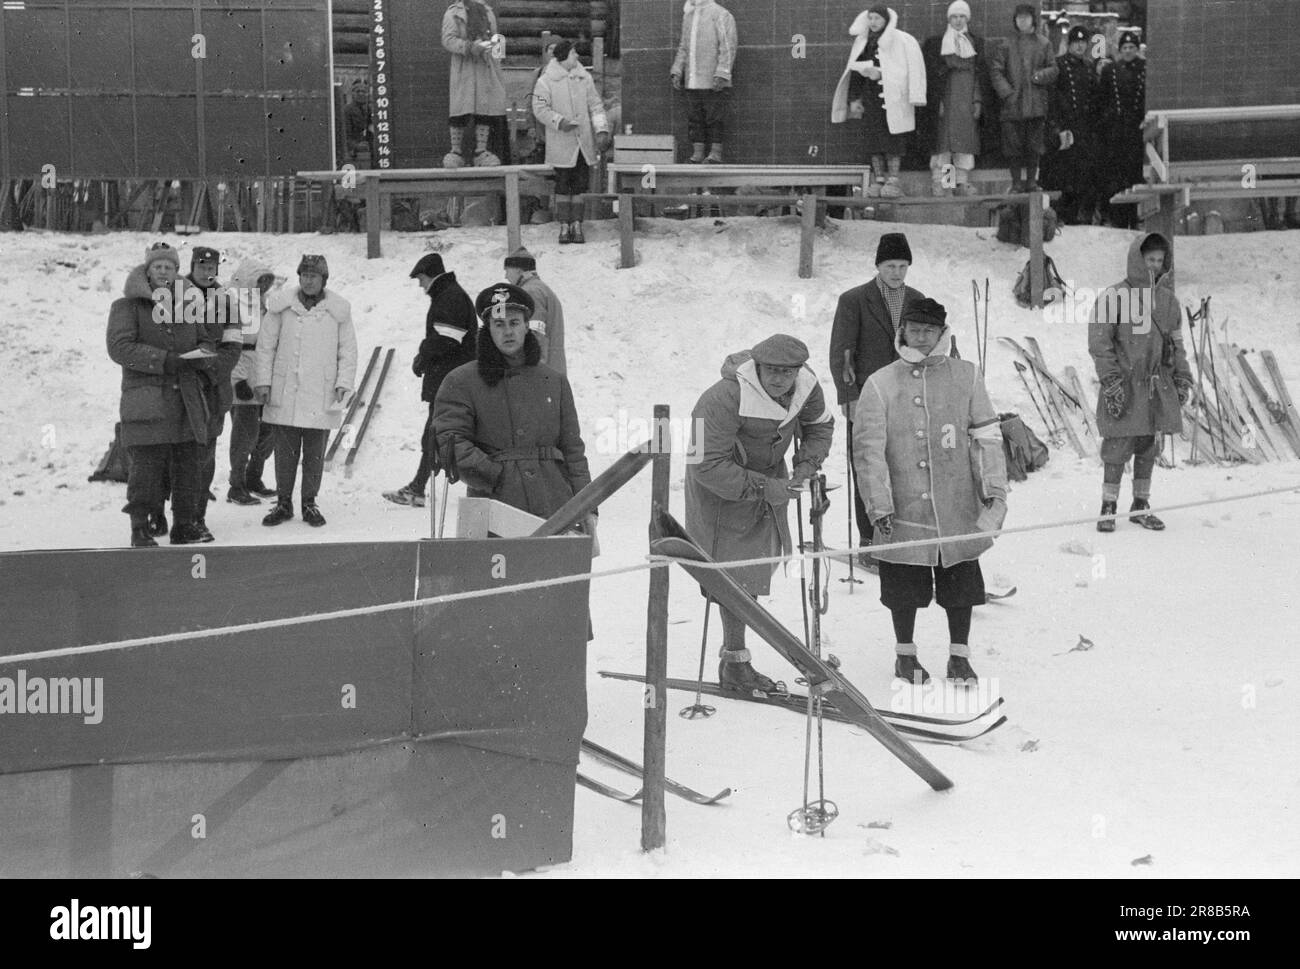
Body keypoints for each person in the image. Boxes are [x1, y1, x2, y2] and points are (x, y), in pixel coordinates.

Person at [854, 297, 1008, 686]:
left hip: (957, 503)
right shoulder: (880, 383)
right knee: (903, 586)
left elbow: (987, 435)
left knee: (961, 582)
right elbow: (868, 451)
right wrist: (879, 505)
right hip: (903, 506)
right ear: (902, 331)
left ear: (942, 333)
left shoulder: (967, 375)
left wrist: (993, 490)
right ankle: (905, 655)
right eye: (914, 329)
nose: (921, 338)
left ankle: (960, 657)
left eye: (929, 331)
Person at [685, 335, 834, 694]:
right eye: (772, 371)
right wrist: (768, 488)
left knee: (754, 570)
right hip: (721, 487)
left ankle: (735, 662)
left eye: (788, 372)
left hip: (770, 481)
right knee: (733, 576)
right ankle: (734, 663)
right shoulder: (722, 398)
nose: (780, 380)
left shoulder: (806, 386)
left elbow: (819, 427)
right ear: (758, 366)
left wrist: (806, 465)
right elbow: (706, 463)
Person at [432, 283, 594, 534]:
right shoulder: (461, 381)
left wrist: (587, 504)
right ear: (488, 329)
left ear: (527, 325)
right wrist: (493, 475)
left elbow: (573, 449)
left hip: (555, 506)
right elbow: (449, 440)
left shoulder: (554, 380)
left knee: (558, 574)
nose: (508, 331)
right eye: (499, 324)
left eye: (514, 323)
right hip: (492, 508)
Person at [106, 243, 222, 547]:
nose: (163, 272)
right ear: (147, 270)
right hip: (147, 401)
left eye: (169, 267)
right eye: (157, 266)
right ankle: (140, 529)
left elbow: (205, 339)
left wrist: (205, 354)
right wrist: (163, 359)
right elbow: (119, 348)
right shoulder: (126, 307)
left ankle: (183, 525)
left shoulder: (187, 305)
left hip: (186, 400)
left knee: (188, 466)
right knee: (146, 469)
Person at [828, 232, 925, 567]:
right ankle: (869, 539)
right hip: (867, 398)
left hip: (906, 398)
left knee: (904, 467)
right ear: (878, 266)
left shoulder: (916, 299)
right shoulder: (854, 300)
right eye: (890, 266)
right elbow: (842, 352)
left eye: (902, 266)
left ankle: (902, 536)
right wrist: (848, 395)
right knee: (869, 468)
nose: (896, 273)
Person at [1089, 233, 1192, 533]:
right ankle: (1108, 506)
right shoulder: (1113, 297)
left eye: (1160, 261)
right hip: (1124, 384)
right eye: (1150, 260)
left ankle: (1141, 505)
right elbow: (1099, 343)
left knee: (1148, 446)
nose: (1155, 266)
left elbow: (1177, 345)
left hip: (1155, 386)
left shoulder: (1168, 302)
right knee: (1118, 444)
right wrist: (1110, 381)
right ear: (1138, 258)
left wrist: (1182, 377)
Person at [255, 255, 358, 527]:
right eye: (304, 275)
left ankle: (309, 503)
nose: (308, 280)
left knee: (313, 454)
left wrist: (343, 384)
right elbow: (265, 348)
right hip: (286, 389)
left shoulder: (338, 311)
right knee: (284, 453)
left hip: (320, 392)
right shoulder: (280, 308)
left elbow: (347, 351)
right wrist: (263, 382)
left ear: (324, 279)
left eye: (314, 276)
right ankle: (284, 503)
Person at [383, 253, 478, 508]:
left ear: (431, 275)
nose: (420, 285)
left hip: (451, 381)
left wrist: (423, 355)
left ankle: (418, 488)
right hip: (451, 379)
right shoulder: (449, 294)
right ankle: (418, 486)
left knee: (437, 433)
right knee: (437, 434)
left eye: (421, 279)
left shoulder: (449, 297)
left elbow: (447, 339)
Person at [831, 5, 926, 198]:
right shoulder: (863, 42)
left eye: (877, 18)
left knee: (893, 139)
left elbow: (908, 71)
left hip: (894, 99)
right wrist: (854, 99)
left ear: (886, 20)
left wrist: (880, 74)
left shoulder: (902, 40)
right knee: (873, 140)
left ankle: (894, 180)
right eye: (870, 18)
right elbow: (855, 74)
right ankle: (879, 178)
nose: (873, 22)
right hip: (871, 99)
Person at [187, 246, 243, 540]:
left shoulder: (226, 301)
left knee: (205, 454)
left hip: (212, 390)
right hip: (181, 389)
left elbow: (233, 345)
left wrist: (212, 369)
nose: (207, 273)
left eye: (212, 268)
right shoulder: (174, 295)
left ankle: (197, 517)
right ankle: (166, 514)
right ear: (192, 266)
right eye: (202, 267)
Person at [532, 39, 611, 244]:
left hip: (583, 144)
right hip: (561, 144)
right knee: (562, 184)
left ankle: (577, 223)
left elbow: (595, 105)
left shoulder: (584, 78)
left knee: (580, 185)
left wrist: (601, 129)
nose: (576, 56)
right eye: (573, 53)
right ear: (564, 56)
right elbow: (540, 109)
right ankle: (564, 225)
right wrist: (560, 122)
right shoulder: (546, 81)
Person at [918, 1, 991, 197]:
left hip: (966, 98)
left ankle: (961, 184)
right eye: (954, 17)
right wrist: (937, 100)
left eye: (961, 17)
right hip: (946, 98)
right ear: (949, 19)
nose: (958, 21)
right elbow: (932, 77)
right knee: (945, 144)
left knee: (964, 143)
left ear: (967, 19)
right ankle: (944, 184)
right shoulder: (936, 43)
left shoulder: (976, 43)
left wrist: (977, 100)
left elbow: (979, 75)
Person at [226, 259, 279, 504]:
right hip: (242, 378)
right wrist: (237, 380)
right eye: (259, 281)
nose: (263, 286)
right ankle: (236, 486)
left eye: (266, 283)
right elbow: (229, 346)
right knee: (245, 436)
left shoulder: (262, 306)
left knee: (268, 433)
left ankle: (253, 477)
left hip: (263, 377)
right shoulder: (232, 306)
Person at [990, 3, 1057, 192]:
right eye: (1019, 18)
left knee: (1034, 146)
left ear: (1033, 20)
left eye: (1026, 17)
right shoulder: (1006, 44)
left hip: (1036, 104)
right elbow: (996, 70)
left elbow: (1054, 68)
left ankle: (1031, 181)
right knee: (1013, 146)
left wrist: (1040, 76)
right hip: (1013, 105)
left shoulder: (1044, 43)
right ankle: (1016, 182)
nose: (1022, 21)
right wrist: (1007, 93)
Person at [1041, 25, 1100, 225]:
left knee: (1081, 176)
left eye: (1083, 43)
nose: (1080, 47)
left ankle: (1077, 216)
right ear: (1069, 44)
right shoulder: (1059, 65)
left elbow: (1094, 99)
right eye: (1076, 43)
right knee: (1063, 175)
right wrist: (1057, 127)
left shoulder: (1089, 67)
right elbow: (1052, 99)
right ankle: (1060, 216)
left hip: (1084, 130)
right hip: (1065, 128)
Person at [441, 0, 507, 168]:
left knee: (483, 109)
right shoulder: (453, 13)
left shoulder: (488, 12)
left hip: (484, 66)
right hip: (464, 68)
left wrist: (493, 45)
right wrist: (469, 47)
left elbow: (495, 37)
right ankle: (455, 152)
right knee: (460, 109)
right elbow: (448, 39)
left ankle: (481, 152)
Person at [670, 0, 737, 164]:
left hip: (713, 80)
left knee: (715, 118)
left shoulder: (721, 15)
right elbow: (683, 47)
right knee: (694, 118)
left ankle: (715, 154)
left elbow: (728, 47)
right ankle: (698, 154)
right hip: (692, 81)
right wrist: (677, 70)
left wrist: (722, 74)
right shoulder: (689, 16)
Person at [1097, 30, 1145, 228]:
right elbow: (1104, 99)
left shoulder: (1145, 69)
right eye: (1124, 48)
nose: (1128, 51)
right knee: (1116, 174)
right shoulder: (1111, 70)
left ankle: (1133, 217)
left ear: (1137, 49)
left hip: (1137, 129)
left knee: (1134, 174)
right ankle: (1118, 217)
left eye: (1131, 47)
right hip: (1116, 131)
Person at [504, 246, 565, 375]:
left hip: (542, 374)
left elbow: (535, 336)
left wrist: (533, 372)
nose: (505, 276)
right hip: (551, 371)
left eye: (507, 270)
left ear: (518, 270)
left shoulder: (531, 292)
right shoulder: (540, 288)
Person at [342, 80, 374, 166]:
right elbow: (345, 134)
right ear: (353, 94)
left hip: (368, 150)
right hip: (354, 152)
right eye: (358, 91)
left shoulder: (369, 110)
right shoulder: (347, 110)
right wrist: (355, 146)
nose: (361, 94)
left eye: (364, 92)